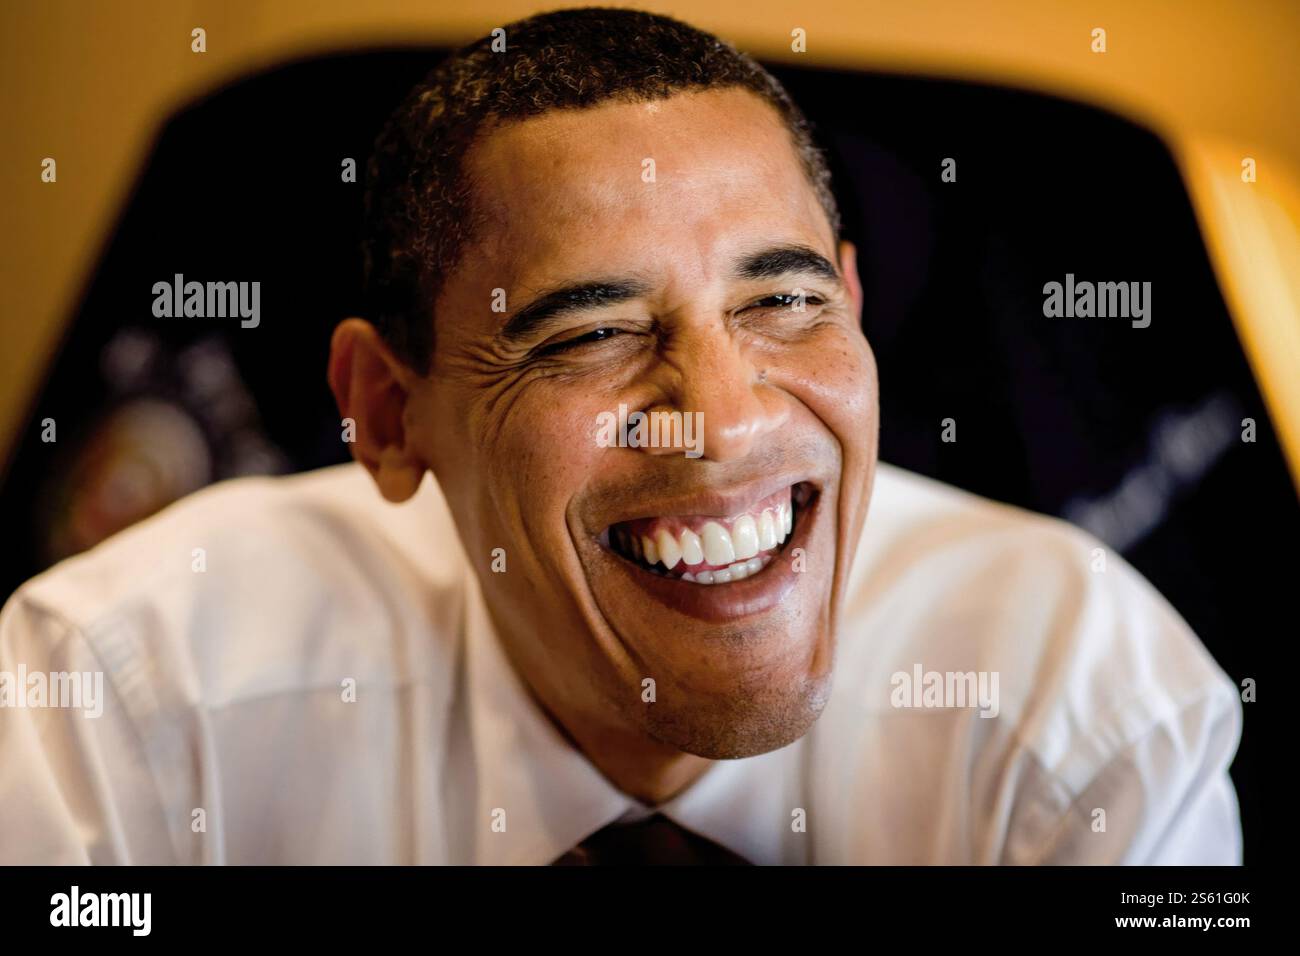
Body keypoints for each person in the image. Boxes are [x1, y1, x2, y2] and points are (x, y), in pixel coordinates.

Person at [0, 7, 1240, 865]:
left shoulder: (1083, 702)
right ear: (386, 412)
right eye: (589, 332)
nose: (730, 417)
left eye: (783, 301)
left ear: (855, 308)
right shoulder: (122, 699)